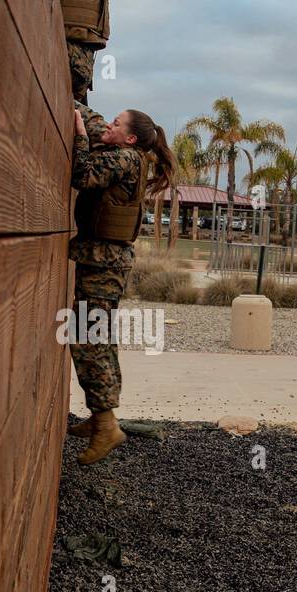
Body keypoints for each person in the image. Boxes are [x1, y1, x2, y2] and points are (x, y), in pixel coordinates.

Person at [68, 103, 176, 465]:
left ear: (130, 138)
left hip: (103, 263)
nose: (108, 127)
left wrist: (79, 136)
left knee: (87, 338)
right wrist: (77, 106)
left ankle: (106, 424)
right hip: (105, 262)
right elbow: (99, 125)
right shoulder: (128, 152)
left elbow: (83, 176)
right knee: (98, 337)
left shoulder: (125, 159)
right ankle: (102, 416)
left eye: (117, 124)